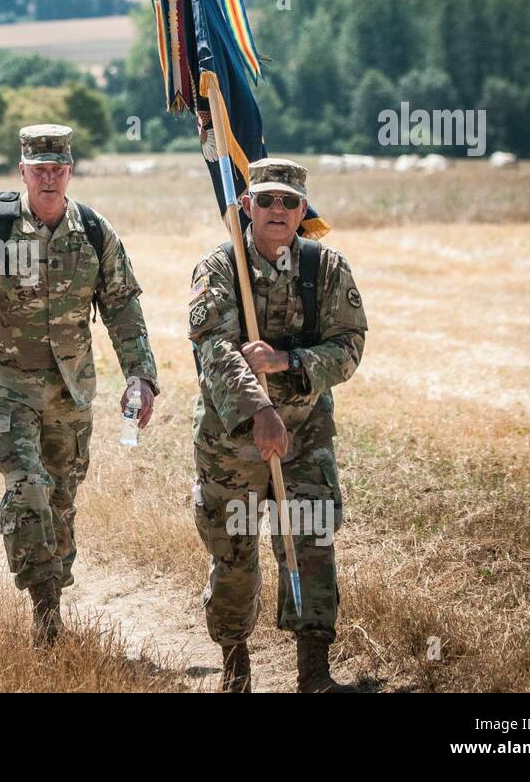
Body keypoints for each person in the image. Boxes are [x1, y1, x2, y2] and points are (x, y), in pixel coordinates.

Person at [0, 123, 159, 645]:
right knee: (28, 485)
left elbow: (123, 305)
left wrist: (140, 376)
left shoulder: (95, 233)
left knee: (60, 500)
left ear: (70, 171)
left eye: (58, 169)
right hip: (7, 381)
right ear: (22, 173)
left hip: (70, 387)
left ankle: (53, 595)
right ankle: (43, 605)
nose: (49, 178)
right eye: (39, 170)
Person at [187, 158, 366, 693]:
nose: (277, 211)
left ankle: (313, 671)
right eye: (265, 200)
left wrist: (287, 363)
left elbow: (350, 346)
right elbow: (213, 350)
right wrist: (259, 410)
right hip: (232, 440)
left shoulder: (326, 268)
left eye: (289, 202)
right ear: (246, 205)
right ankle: (235, 663)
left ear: (302, 210)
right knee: (233, 553)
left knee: (310, 542)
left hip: (306, 433)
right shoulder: (220, 267)